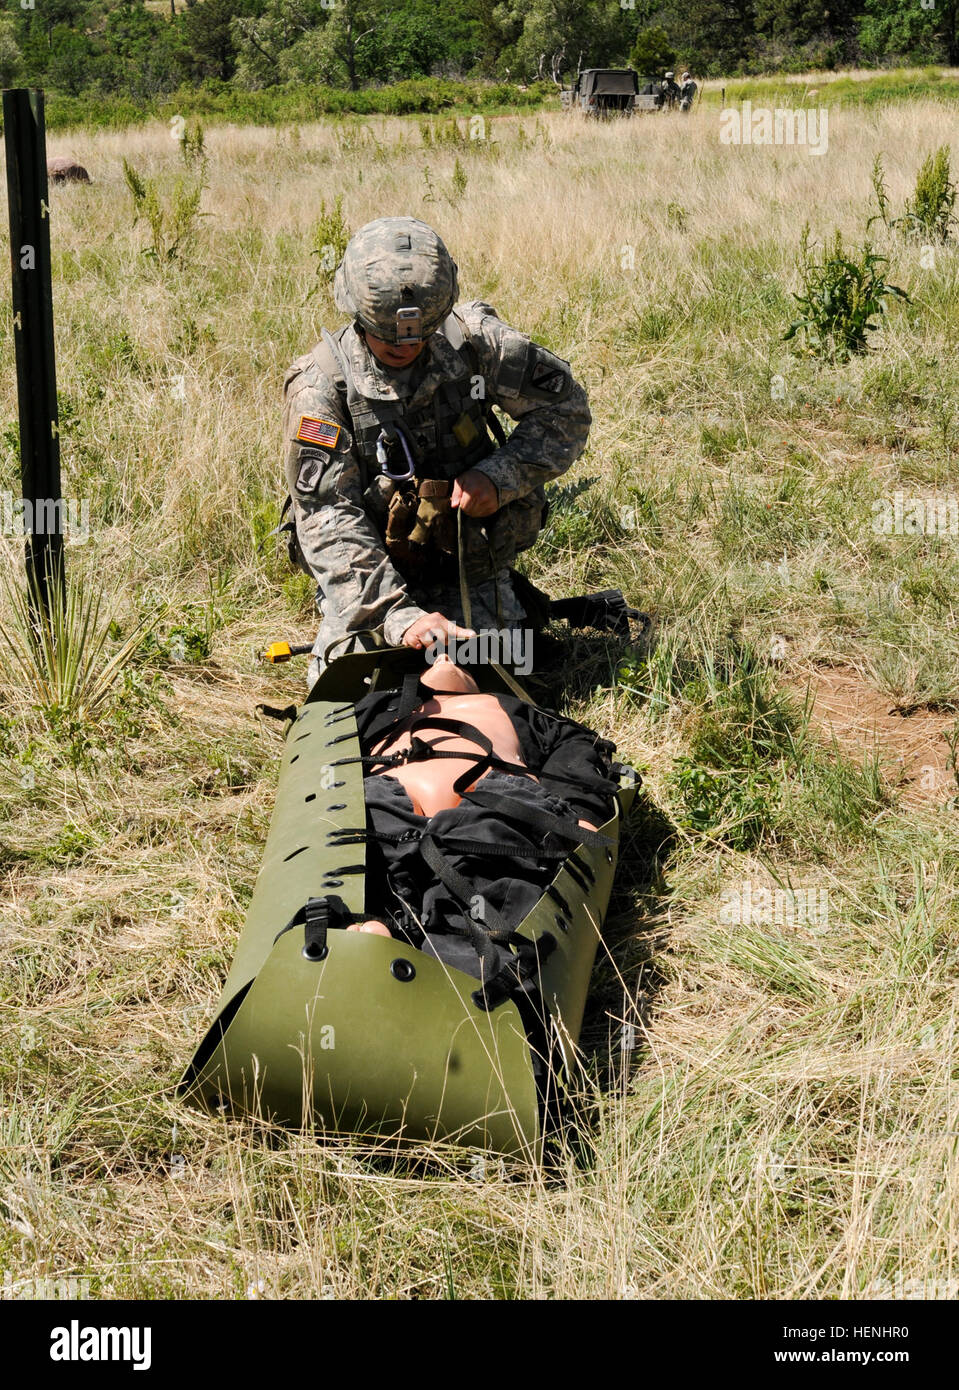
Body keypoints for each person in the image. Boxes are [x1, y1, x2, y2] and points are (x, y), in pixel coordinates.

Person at [281, 216, 592, 689]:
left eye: (420, 333)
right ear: (354, 312)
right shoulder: (321, 386)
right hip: (372, 570)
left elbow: (565, 409)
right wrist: (395, 615)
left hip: (469, 556)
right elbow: (327, 515)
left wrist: (499, 476)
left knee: (508, 667)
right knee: (358, 688)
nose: (403, 348)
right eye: (385, 336)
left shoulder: (478, 344)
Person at [331, 654, 619, 998]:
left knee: (487, 887)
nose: (443, 656)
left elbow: (576, 754)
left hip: (495, 800)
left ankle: (470, 992)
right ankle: (373, 928)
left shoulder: (521, 710)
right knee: (358, 865)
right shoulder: (381, 706)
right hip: (384, 801)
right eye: (434, 656)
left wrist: (581, 814)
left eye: (457, 659)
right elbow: (326, 747)